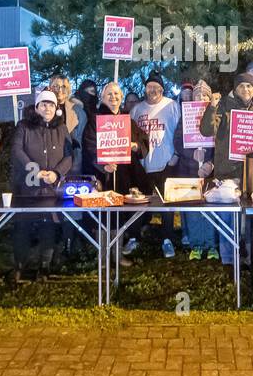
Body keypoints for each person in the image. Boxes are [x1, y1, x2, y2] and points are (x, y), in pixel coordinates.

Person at [201, 72, 253, 266]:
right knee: (228, 217)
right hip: (228, 173)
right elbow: (206, 130)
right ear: (234, 89)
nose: (245, 90)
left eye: (249, 86)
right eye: (241, 86)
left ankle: (251, 257)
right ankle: (229, 260)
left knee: (251, 219)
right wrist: (211, 107)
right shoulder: (223, 107)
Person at [10, 89, 73, 282]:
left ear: (57, 108)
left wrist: (56, 173)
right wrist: (34, 170)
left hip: (51, 188)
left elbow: (69, 155)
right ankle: (20, 266)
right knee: (23, 226)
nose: (47, 108)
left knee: (49, 226)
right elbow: (17, 150)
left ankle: (44, 266)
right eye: (44, 104)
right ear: (36, 107)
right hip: (27, 187)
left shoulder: (62, 128)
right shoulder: (24, 126)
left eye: (51, 105)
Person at [82, 81, 147, 264]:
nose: (114, 98)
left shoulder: (128, 120)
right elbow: (89, 147)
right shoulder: (95, 121)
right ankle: (102, 256)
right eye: (109, 94)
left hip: (124, 176)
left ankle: (117, 255)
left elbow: (142, 142)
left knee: (119, 216)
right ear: (102, 98)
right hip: (103, 176)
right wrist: (103, 165)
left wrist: (136, 146)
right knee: (103, 217)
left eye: (117, 94)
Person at [130, 71, 182, 257]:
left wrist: (175, 156)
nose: (152, 90)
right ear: (145, 89)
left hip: (166, 162)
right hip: (144, 164)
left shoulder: (172, 106)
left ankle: (167, 240)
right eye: (149, 86)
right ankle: (134, 237)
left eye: (156, 87)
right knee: (139, 202)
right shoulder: (137, 110)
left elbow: (179, 132)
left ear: (162, 89)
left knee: (166, 204)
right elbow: (131, 135)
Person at [174, 80, 219, 261]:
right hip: (189, 170)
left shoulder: (217, 116)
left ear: (210, 97)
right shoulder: (185, 117)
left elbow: (222, 145)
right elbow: (177, 141)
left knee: (209, 208)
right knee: (193, 209)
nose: (201, 98)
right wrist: (192, 154)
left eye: (204, 95)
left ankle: (211, 244)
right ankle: (196, 244)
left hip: (210, 172)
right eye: (197, 95)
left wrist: (211, 163)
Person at [48, 74, 89, 268]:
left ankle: (71, 244)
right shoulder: (44, 107)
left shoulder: (78, 111)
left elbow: (82, 135)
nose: (60, 90)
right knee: (53, 204)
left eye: (64, 86)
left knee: (73, 203)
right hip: (50, 165)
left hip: (74, 164)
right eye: (56, 86)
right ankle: (55, 247)